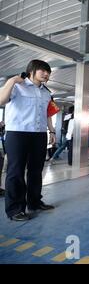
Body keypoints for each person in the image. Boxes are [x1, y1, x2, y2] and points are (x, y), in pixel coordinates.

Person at [0, 60, 56, 221]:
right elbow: (1, 101)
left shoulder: (46, 92)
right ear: (31, 70)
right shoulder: (17, 86)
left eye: (48, 72)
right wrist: (11, 81)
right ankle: (15, 209)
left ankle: (34, 202)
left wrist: (51, 130)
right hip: (18, 134)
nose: (46, 74)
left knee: (36, 170)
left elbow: (47, 113)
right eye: (43, 70)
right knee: (16, 171)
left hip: (39, 134)